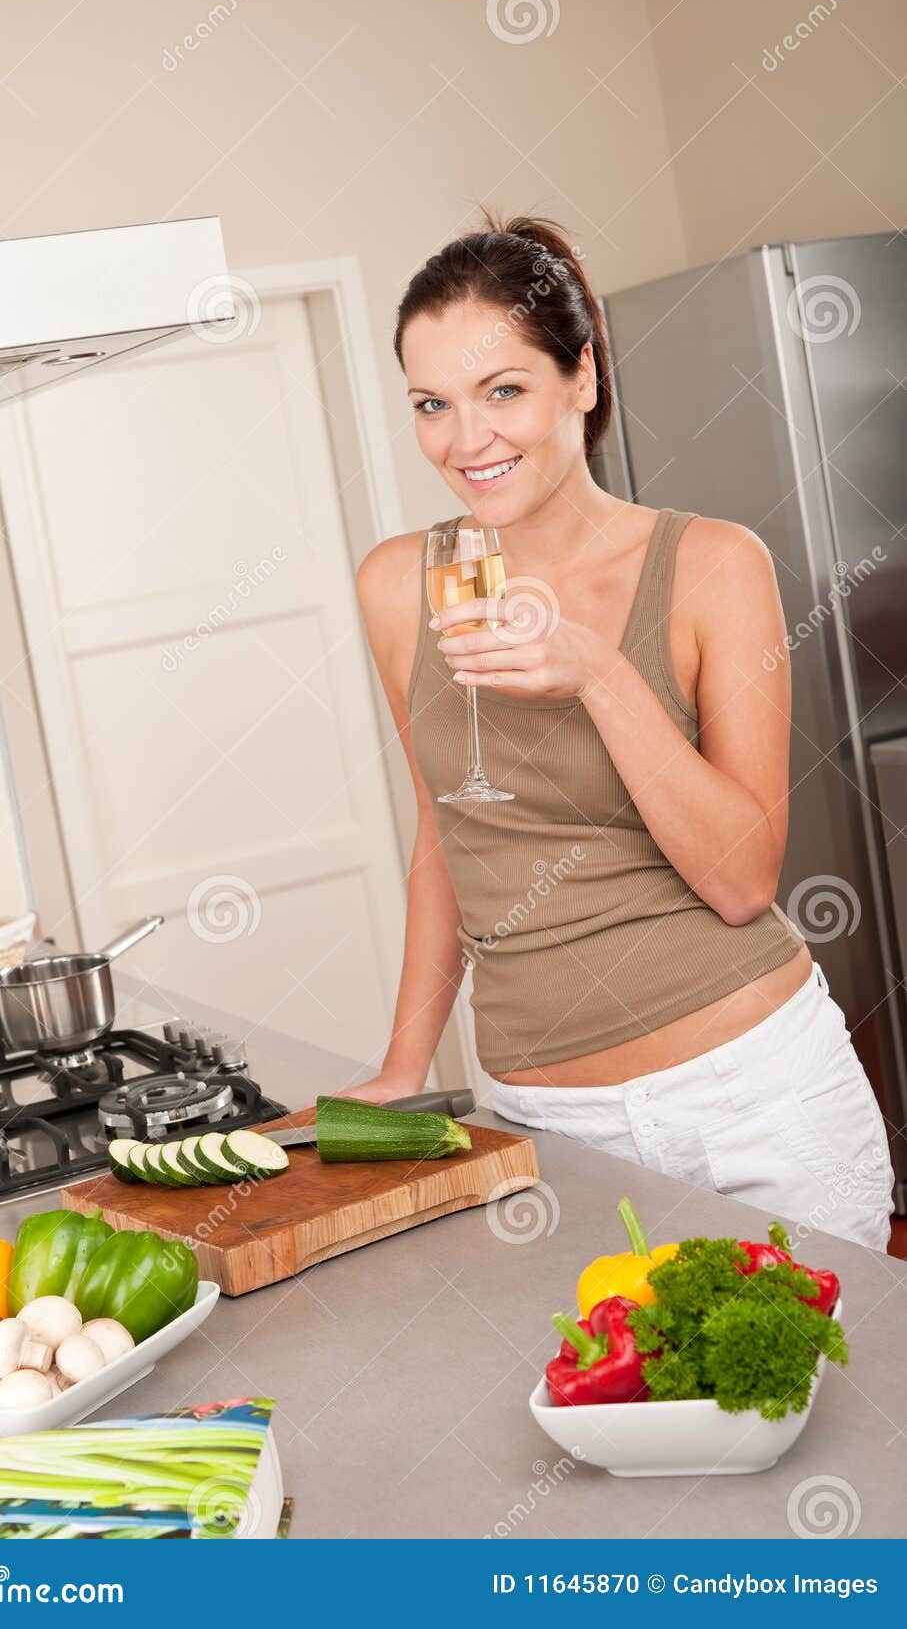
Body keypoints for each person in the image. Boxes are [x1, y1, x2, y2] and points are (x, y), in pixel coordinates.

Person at [346, 212, 895, 1253]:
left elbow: (740, 879)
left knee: (850, 1407)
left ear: (581, 379)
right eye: (432, 404)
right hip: (549, 1127)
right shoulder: (395, 585)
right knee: (610, 1409)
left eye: (502, 389)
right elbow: (442, 837)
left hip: (754, 1099)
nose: (465, 441)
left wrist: (595, 670)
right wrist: (403, 1067)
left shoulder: (710, 566)